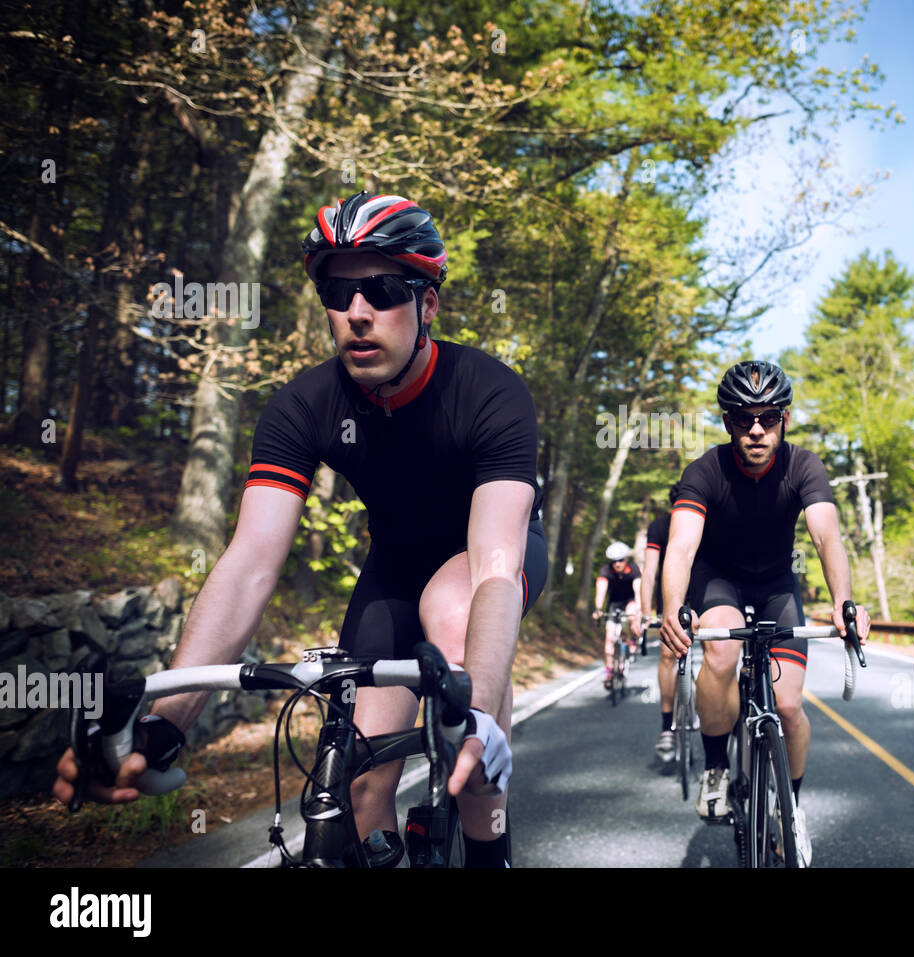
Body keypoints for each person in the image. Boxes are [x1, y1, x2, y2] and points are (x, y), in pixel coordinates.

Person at [53, 190, 547, 869]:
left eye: (381, 288)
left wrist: (481, 704)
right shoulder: (302, 405)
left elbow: (494, 566)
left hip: (488, 562)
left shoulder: (490, 392)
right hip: (395, 570)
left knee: (460, 677)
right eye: (337, 292)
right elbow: (250, 561)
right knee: (359, 782)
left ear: (428, 302)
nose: (357, 312)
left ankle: (491, 854)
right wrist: (166, 723)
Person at [659, 360, 869, 867]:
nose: (755, 429)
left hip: (776, 583)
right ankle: (715, 767)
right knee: (723, 649)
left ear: (785, 420)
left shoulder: (805, 467)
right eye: (741, 418)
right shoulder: (704, 471)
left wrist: (845, 603)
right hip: (718, 579)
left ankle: (791, 810)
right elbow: (682, 548)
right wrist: (672, 610)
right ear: (727, 422)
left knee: (790, 707)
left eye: (768, 417)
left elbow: (826, 536)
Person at [640, 484, 680, 761]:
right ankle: (667, 726)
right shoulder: (659, 527)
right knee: (668, 654)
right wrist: (645, 613)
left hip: (705, 591)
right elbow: (650, 572)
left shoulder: (713, 522)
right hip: (670, 594)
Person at [592, 541, 641, 689]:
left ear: (626, 559)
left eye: (620, 560)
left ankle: (631, 639)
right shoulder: (606, 570)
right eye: (614, 561)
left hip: (630, 601)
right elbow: (601, 591)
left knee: (632, 614)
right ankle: (609, 672)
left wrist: (640, 610)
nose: (617, 564)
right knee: (609, 638)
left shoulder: (633, 569)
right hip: (614, 603)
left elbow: (638, 591)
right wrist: (598, 609)